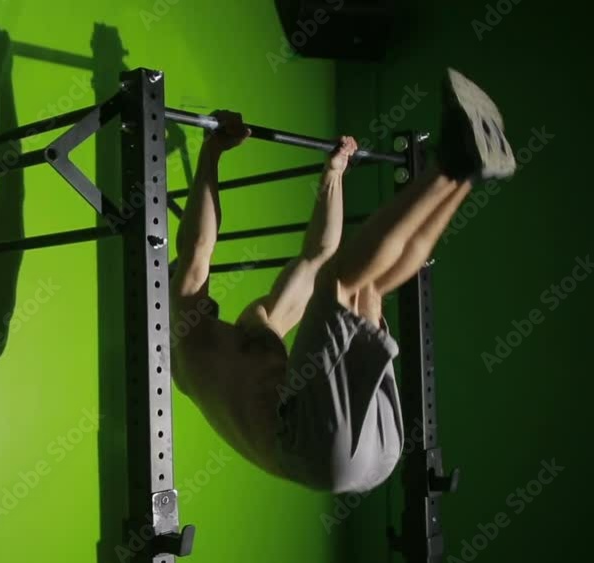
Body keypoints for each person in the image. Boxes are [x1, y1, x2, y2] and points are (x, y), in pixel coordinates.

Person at [170, 68, 515, 493]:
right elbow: (198, 248)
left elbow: (318, 256)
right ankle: (450, 163)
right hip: (308, 446)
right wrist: (212, 153)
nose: (184, 279)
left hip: (368, 455)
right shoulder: (189, 343)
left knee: (367, 294)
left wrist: (333, 175)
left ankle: (465, 172)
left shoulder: (255, 326)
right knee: (344, 287)